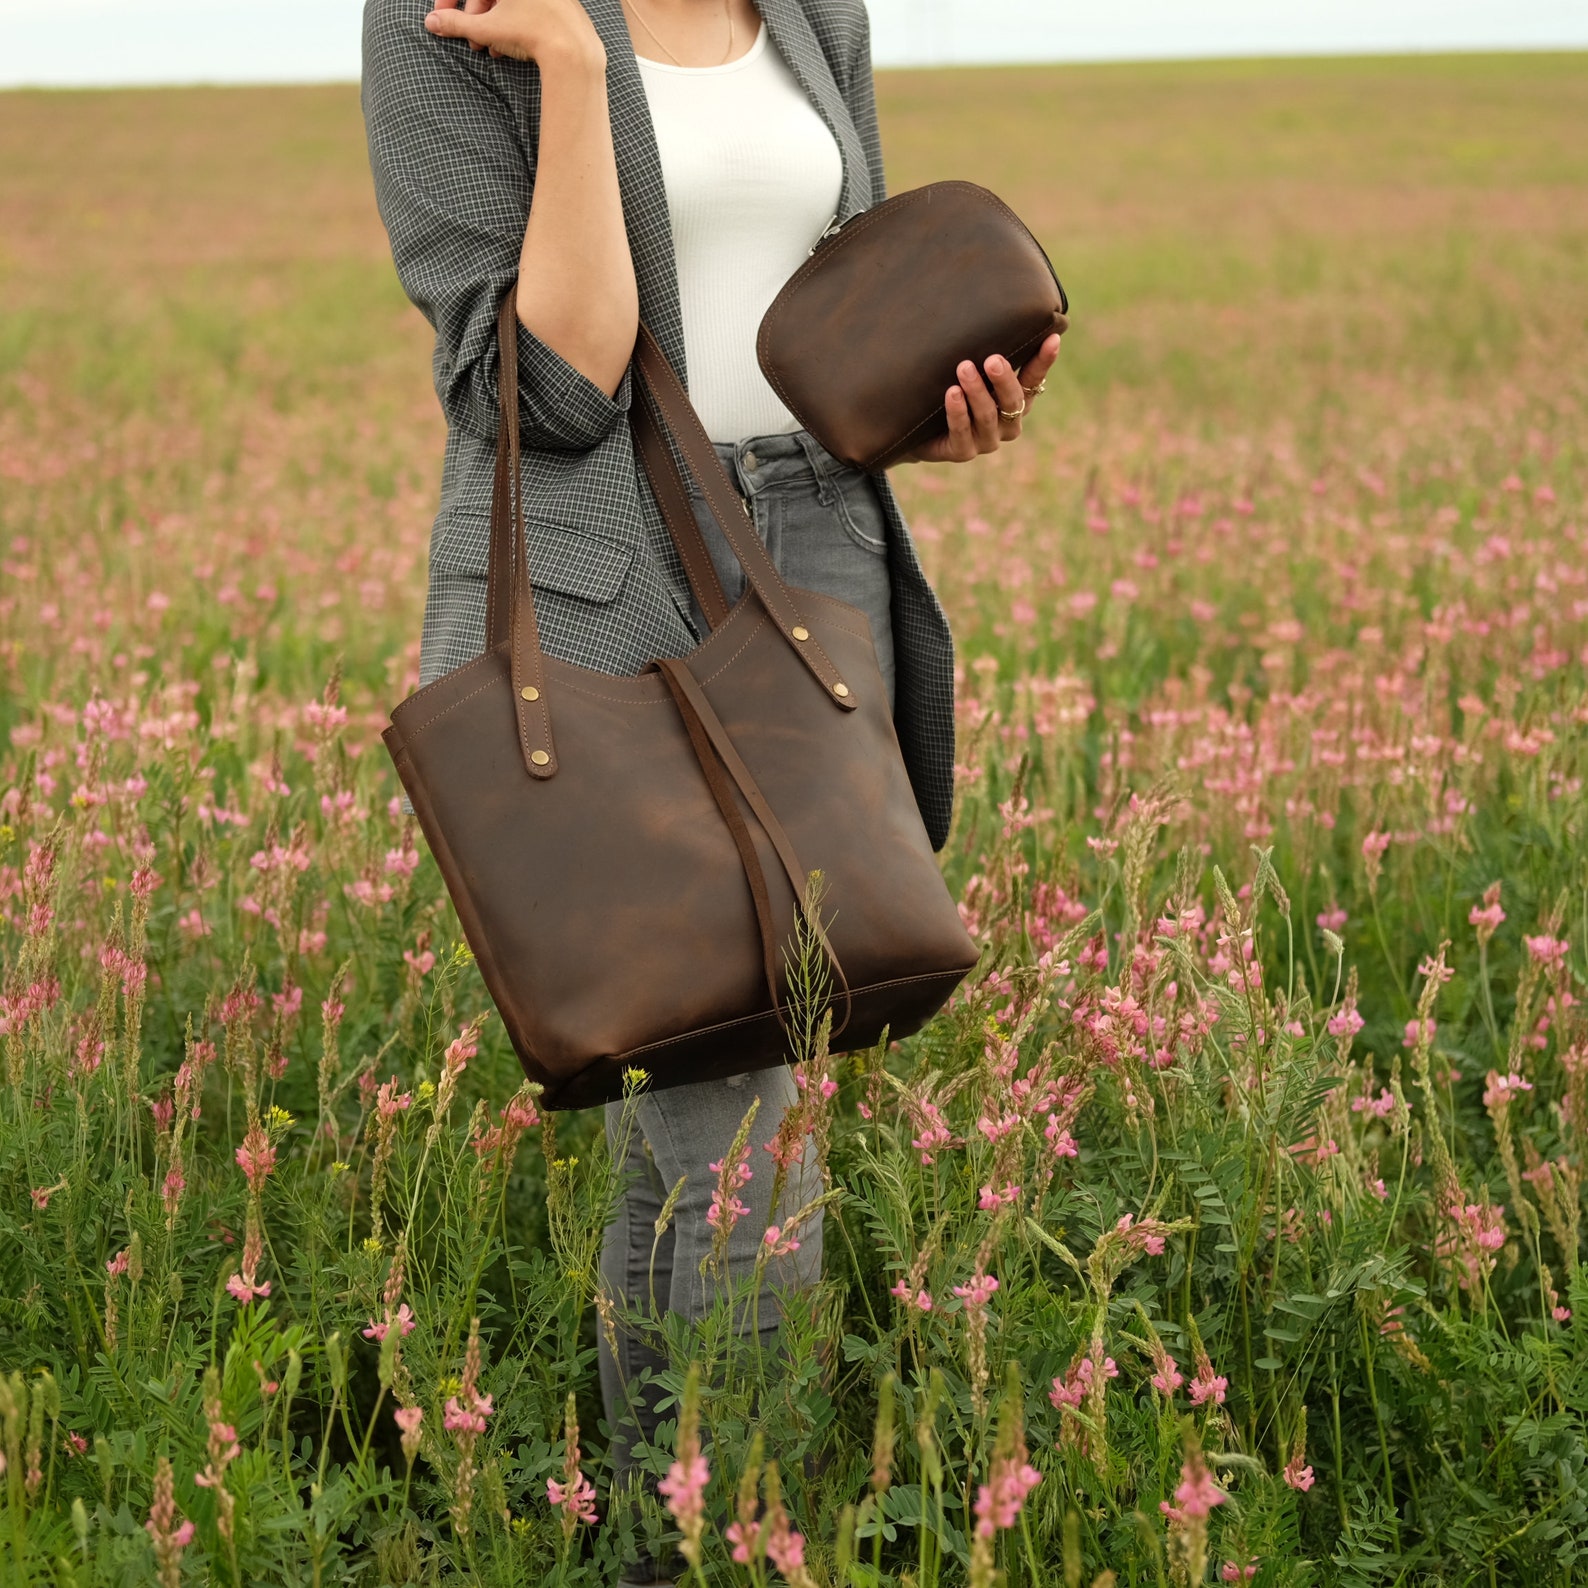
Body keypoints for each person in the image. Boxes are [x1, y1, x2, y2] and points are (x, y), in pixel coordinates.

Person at [362, 0, 1058, 1575]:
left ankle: (658, 1547)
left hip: (813, 557)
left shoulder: (809, 4)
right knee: (737, 1123)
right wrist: (575, 67)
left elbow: (827, 309)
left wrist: (933, 412)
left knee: (706, 1111)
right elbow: (555, 385)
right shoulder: (455, 15)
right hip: (605, 584)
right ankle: (759, 1544)